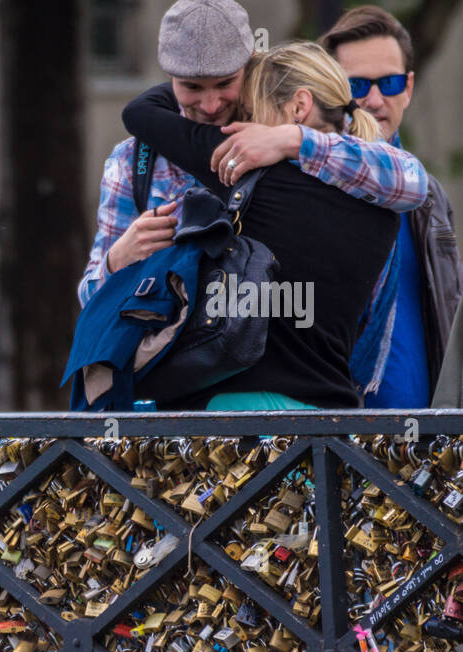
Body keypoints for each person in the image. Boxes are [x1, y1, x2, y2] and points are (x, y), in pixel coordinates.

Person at [80, 0, 427, 310]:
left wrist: (292, 140)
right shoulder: (132, 161)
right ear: (170, 78)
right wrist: (118, 258)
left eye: (224, 83)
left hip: (308, 366)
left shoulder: (297, 123)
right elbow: (90, 299)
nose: (211, 104)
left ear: (248, 65)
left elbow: (411, 182)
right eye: (192, 87)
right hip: (169, 376)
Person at [119, 42, 403, 409]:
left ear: (298, 107)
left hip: (234, 425)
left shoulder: (249, 166)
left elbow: (140, 113)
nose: (239, 126)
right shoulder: (384, 207)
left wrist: (191, 76)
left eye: (251, 113)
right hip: (326, 423)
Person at [317, 7, 462, 408]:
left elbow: (447, 312)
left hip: (420, 444)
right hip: (328, 437)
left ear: (409, 87)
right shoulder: (304, 182)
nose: (375, 100)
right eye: (357, 84)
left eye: (391, 82)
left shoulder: (428, 195)